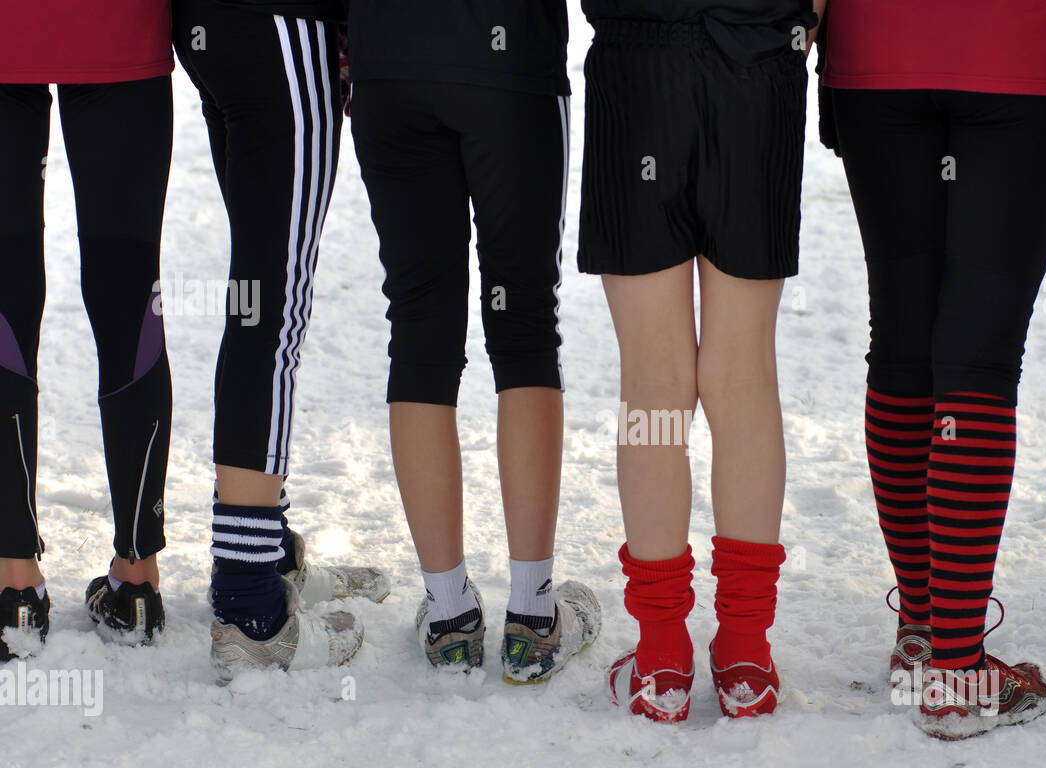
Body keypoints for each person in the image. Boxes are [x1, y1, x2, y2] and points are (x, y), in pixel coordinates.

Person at [821, 0, 1046, 738]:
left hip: (881, 44)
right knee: (977, 357)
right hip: (1021, 46)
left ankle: (925, 634)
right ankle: (954, 668)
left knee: (904, 340)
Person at [578, 0, 819, 722]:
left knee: (655, 381)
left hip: (639, 59)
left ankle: (661, 655)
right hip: (758, 58)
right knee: (742, 375)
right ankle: (745, 651)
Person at [348, 0, 600, 682]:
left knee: (420, 332)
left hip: (389, 57)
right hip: (506, 56)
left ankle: (449, 613)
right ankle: (532, 614)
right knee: (523, 328)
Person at [171, 0, 385, 682]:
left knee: (259, 297)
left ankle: (264, 554)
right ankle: (248, 606)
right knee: (271, 313)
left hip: (217, 26)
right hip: (281, 28)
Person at [0, 1, 175, 657]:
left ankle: (13, 584)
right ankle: (136, 579)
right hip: (116, 29)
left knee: (4, 301)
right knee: (130, 291)